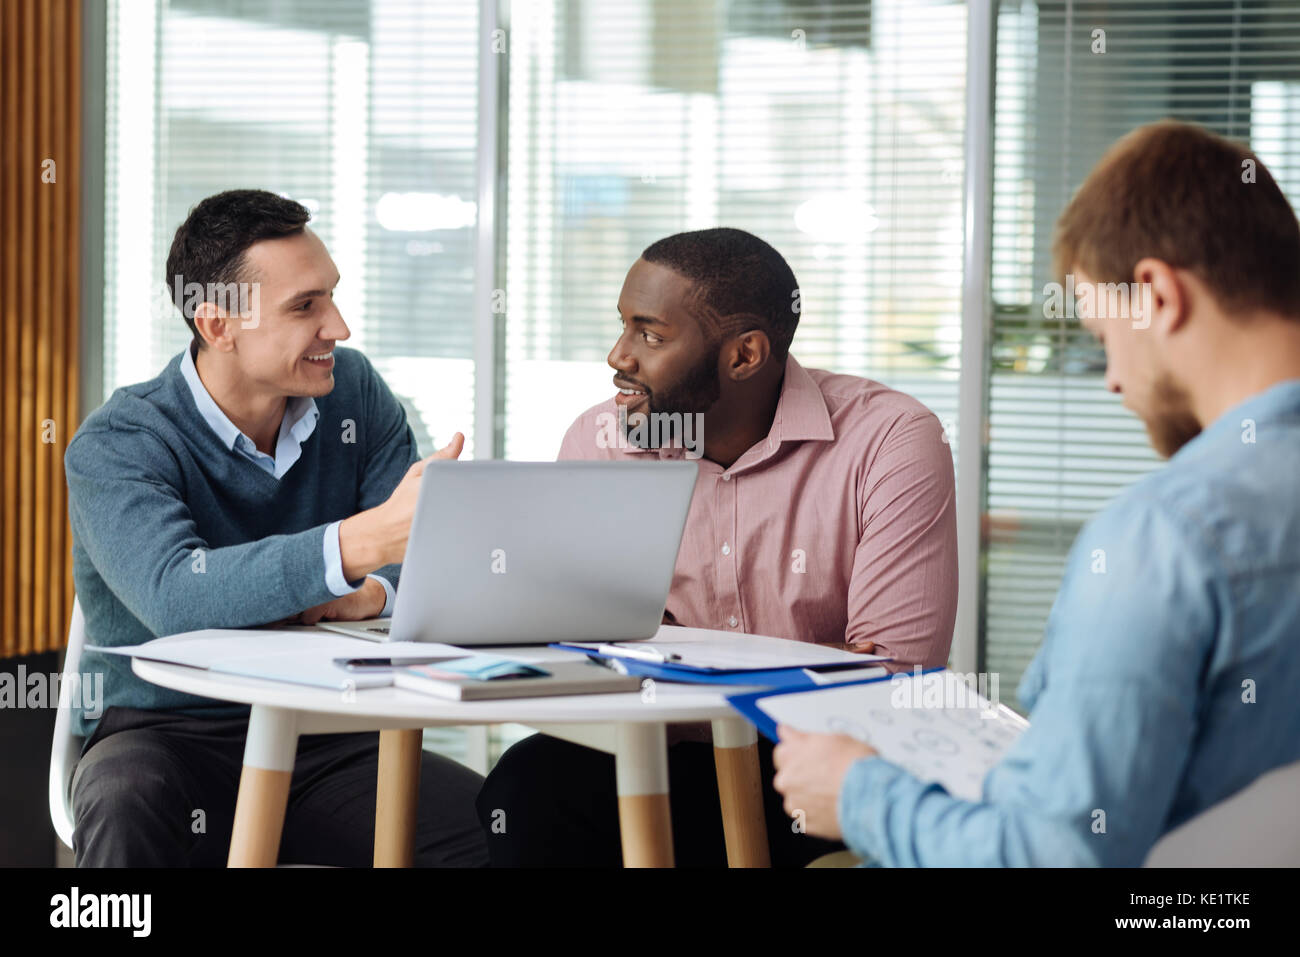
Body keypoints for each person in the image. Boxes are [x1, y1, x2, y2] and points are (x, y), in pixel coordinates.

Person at [773, 120, 1300, 866]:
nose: (1113, 378)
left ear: (1155, 294)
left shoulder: (1168, 537)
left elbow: (1055, 854)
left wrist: (854, 788)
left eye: (1103, 337)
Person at [476, 227, 958, 866]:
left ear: (745, 355)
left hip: (820, 757)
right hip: (657, 746)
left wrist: (670, 652)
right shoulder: (602, 440)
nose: (619, 356)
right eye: (623, 327)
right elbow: (583, 652)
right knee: (526, 786)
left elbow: (894, 674)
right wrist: (814, 660)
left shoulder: (890, 439)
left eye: (650, 334)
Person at [66, 189, 487, 867]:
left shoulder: (354, 394)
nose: (339, 327)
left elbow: (426, 554)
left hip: (327, 732)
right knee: (124, 804)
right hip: (171, 731)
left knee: (503, 827)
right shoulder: (119, 442)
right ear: (217, 324)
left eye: (332, 296)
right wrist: (357, 545)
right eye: (306, 306)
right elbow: (177, 596)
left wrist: (372, 589)